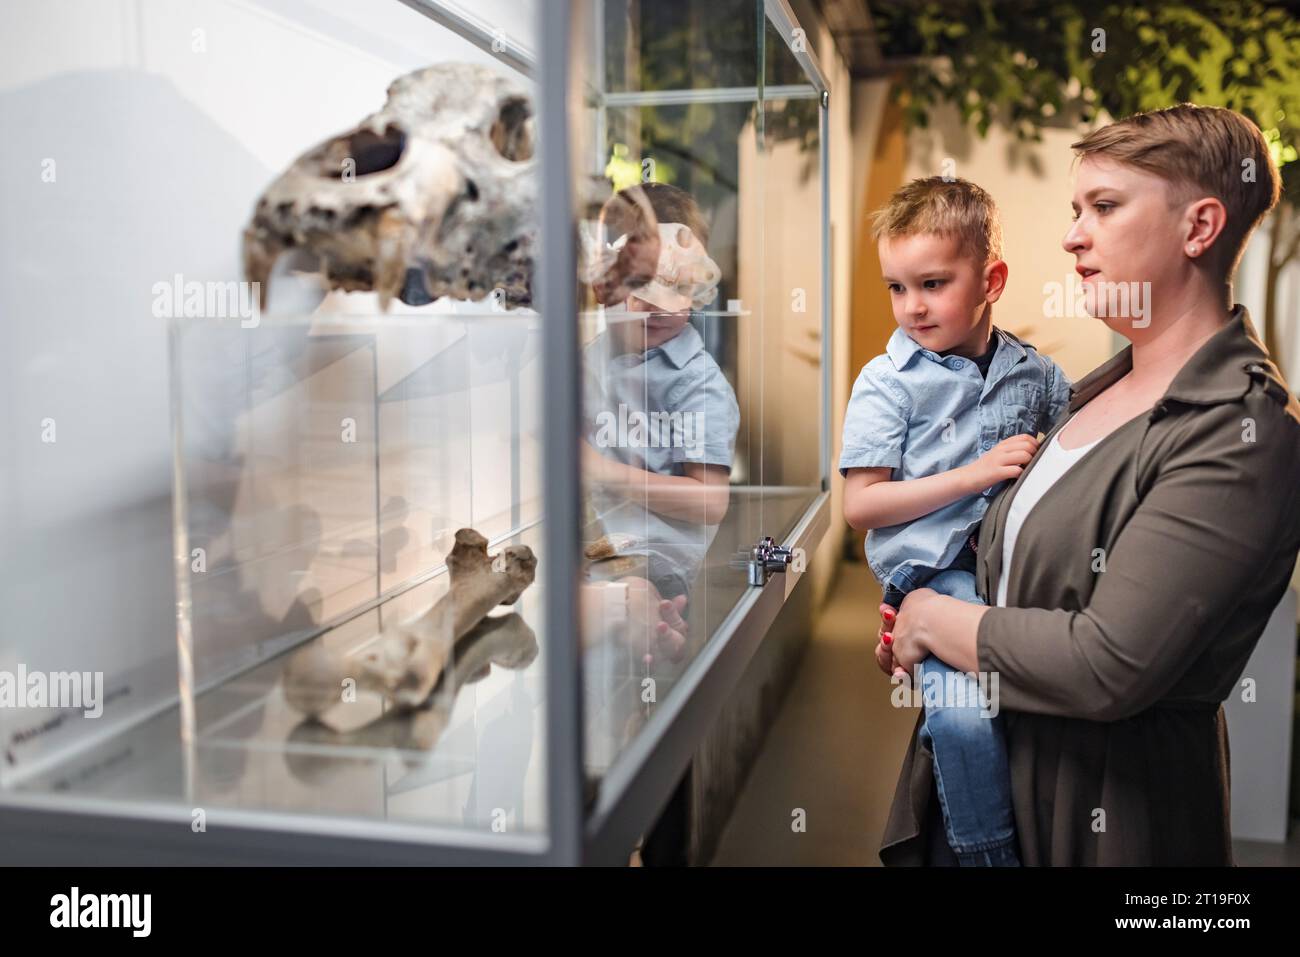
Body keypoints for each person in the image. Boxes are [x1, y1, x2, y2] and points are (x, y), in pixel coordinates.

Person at [876, 103, 1300, 866]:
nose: (1073, 234)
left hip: (1103, 820)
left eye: (1104, 207)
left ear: (1199, 228)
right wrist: (924, 620)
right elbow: (1026, 577)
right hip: (988, 786)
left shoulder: (1246, 429)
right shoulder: (1093, 389)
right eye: (1077, 209)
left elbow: (1111, 663)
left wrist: (940, 622)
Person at [841, 176, 1071, 865]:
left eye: (933, 284)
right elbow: (862, 505)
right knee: (965, 721)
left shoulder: (1040, 377)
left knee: (1028, 727)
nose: (911, 307)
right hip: (937, 581)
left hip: (1014, 579)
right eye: (896, 287)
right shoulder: (887, 381)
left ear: (991, 278)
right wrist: (973, 474)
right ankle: (989, 859)